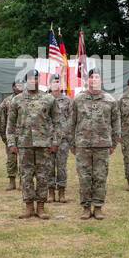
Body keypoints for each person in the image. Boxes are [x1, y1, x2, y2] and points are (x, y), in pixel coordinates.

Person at [67, 71, 120, 219]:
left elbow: (116, 123)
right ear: (88, 80)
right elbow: (72, 122)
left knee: (100, 176)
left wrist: (114, 143)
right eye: (91, 77)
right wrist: (72, 143)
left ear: (101, 80)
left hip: (102, 145)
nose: (94, 80)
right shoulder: (78, 99)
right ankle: (85, 207)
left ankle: (98, 207)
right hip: (82, 145)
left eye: (96, 77)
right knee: (84, 177)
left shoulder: (110, 100)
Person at [6, 72, 58, 219]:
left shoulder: (48, 99)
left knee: (43, 176)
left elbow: (57, 122)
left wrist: (55, 142)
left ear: (38, 80)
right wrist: (11, 143)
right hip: (24, 144)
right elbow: (10, 125)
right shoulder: (17, 100)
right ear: (26, 81)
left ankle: (41, 207)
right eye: (30, 79)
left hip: (43, 144)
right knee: (26, 176)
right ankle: (29, 206)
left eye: (35, 78)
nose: (33, 81)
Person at [50, 75, 74, 203]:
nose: (56, 84)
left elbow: (71, 119)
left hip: (63, 140)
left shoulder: (68, 101)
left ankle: (62, 192)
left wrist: (66, 135)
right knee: (49, 167)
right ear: (50, 84)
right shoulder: (45, 100)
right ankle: (51, 192)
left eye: (58, 82)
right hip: (48, 140)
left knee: (61, 167)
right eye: (54, 81)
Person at [0, 81, 22, 190]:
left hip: (24, 135)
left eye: (21, 85)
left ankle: (23, 182)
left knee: (24, 160)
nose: (19, 87)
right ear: (13, 87)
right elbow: (2, 119)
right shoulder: (6, 101)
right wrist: (4, 136)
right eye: (17, 85)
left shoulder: (26, 99)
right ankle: (12, 181)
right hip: (11, 135)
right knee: (11, 159)